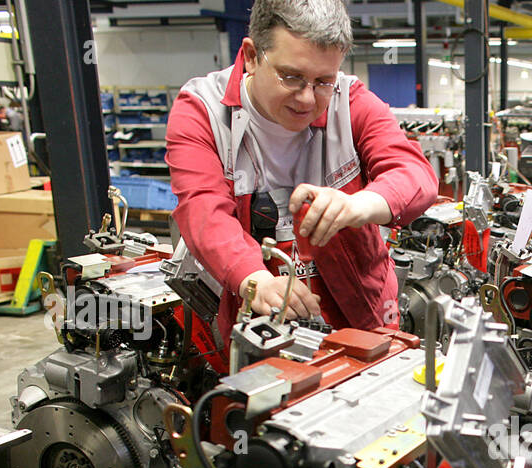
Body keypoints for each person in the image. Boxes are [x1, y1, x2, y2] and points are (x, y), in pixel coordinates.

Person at [166, 0, 438, 346]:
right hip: (254, 313)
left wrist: (359, 205)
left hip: (358, 305)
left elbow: (414, 172)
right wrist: (254, 279)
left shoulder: (350, 101)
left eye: (323, 81)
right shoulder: (202, 110)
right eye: (291, 77)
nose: (308, 98)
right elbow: (203, 210)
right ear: (251, 56)